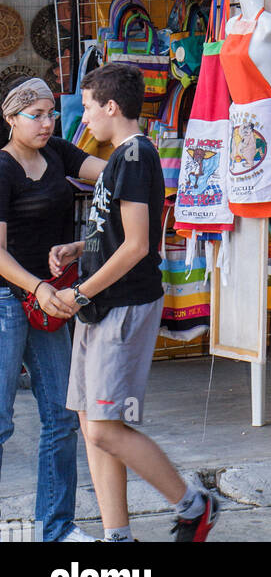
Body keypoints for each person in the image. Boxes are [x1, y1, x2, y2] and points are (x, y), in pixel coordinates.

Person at [49, 62, 218, 543]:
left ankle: (194, 504)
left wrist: (80, 291)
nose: (84, 119)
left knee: (103, 428)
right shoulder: (123, 157)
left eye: (88, 108)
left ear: (111, 106)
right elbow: (119, 231)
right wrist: (80, 249)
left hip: (119, 306)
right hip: (100, 306)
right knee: (91, 425)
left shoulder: (137, 157)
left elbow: (139, 246)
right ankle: (117, 537)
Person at [0, 75, 107, 542]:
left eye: (51, 113)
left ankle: (56, 527)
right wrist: (37, 287)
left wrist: (137, 148)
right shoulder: (2, 170)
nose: (47, 123)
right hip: (7, 299)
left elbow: (112, 173)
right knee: (0, 423)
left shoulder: (59, 152)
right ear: (10, 119)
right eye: (36, 115)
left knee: (63, 416)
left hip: (50, 300)